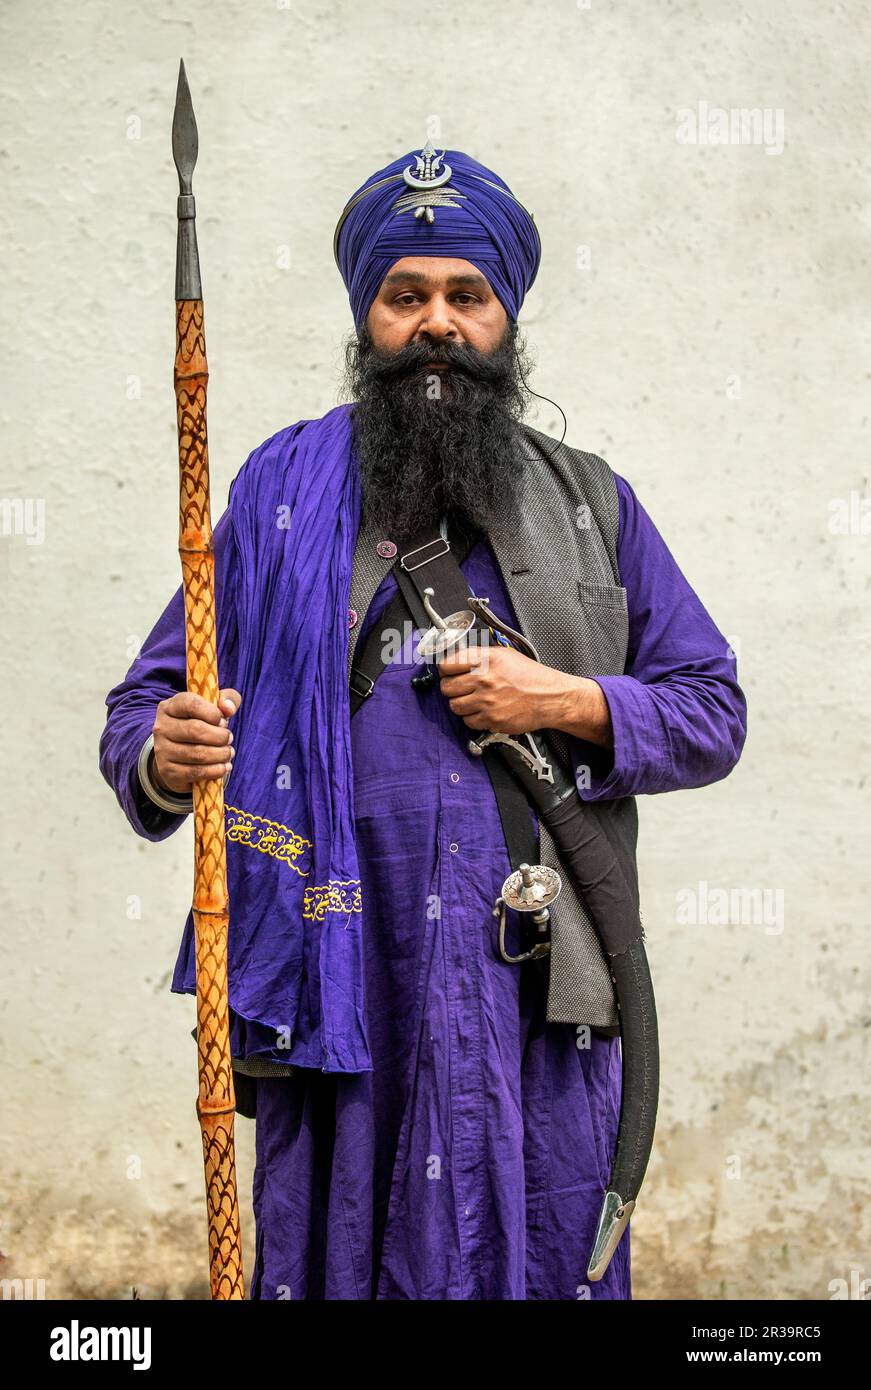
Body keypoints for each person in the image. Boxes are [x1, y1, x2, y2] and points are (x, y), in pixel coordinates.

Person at [99, 143, 747, 1300]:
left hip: (535, 996)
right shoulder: (277, 495)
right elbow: (148, 702)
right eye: (406, 297)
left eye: (464, 296)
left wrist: (567, 698)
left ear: (505, 318)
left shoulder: (595, 502)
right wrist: (165, 750)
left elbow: (711, 707)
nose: (436, 323)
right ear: (368, 317)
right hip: (338, 976)